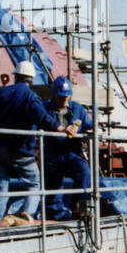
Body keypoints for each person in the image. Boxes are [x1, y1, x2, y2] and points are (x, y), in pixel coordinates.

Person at [0, 60, 61, 226]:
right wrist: (59, 127)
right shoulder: (30, 96)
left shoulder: (0, 93)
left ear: (16, 76)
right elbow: (42, 117)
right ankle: (25, 215)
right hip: (20, 150)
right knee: (34, 183)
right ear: (31, 80)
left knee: (1, 184)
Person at [44, 76, 94, 220]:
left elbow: (89, 125)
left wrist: (96, 129)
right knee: (52, 188)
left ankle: (77, 206)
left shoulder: (77, 108)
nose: (65, 100)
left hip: (71, 152)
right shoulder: (45, 108)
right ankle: (56, 219)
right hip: (52, 153)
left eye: (67, 96)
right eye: (61, 97)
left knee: (84, 173)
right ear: (54, 95)